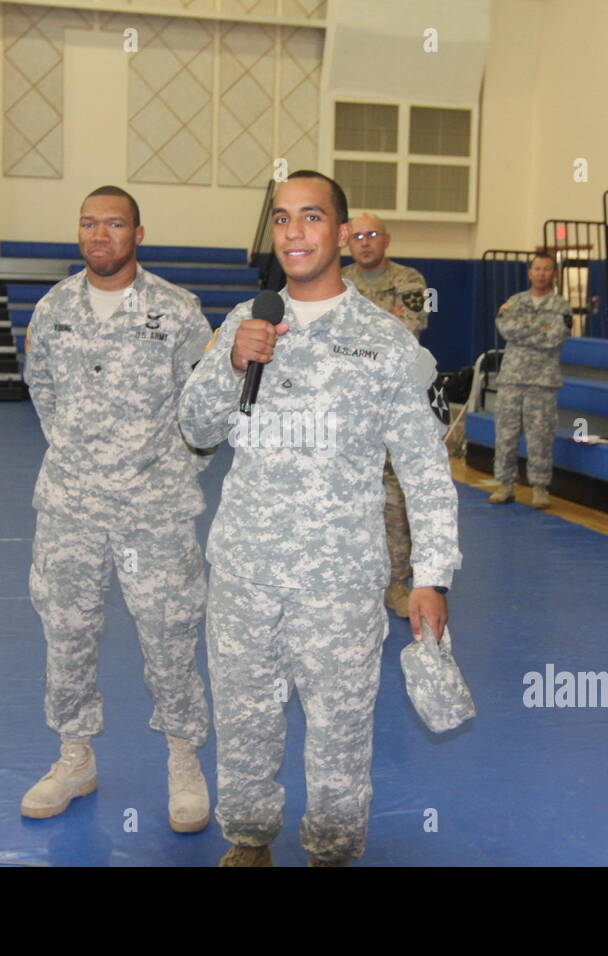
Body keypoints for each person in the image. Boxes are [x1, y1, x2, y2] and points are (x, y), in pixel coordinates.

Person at [179, 171, 461, 867]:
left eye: (311, 218)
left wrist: (432, 575)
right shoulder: (246, 319)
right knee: (244, 722)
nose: (295, 233)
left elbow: (426, 469)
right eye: (281, 219)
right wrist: (230, 361)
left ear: (339, 233)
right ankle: (248, 840)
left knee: (339, 730)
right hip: (245, 571)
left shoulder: (387, 343)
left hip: (339, 581)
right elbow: (194, 429)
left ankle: (332, 851)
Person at [21, 186, 212, 833]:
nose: (99, 234)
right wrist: (80, 457)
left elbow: (204, 405)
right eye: (88, 223)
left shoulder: (177, 311)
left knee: (169, 637)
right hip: (70, 507)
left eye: (114, 224)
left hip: (154, 512)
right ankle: (75, 757)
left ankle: (184, 759)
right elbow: (40, 386)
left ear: (138, 232)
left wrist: (168, 470)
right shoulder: (54, 308)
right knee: (66, 635)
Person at [342, 213, 430, 618]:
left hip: (394, 404)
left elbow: (404, 332)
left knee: (394, 498)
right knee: (343, 493)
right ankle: (350, 581)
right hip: (345, 408)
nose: (364, 243)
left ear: (386, 240)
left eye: (372, 235)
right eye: (357, 236)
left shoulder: (409, 281)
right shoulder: (338, 281)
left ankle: (396, 581)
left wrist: (352, 343)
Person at [488, 253, 571, 510]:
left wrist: (525, 331)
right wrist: (539, 329)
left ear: (554, 274)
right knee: (506, 434)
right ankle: (505, 484)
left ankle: (540, 487)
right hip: (512, 378)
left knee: (540, 436)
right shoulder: (515, 301)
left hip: (543, 381)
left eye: (547, 269)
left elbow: (556, 337)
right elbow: (506, 329)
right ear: (529, 272)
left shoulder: (561, 306)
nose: (542, 273)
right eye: (537, 269)